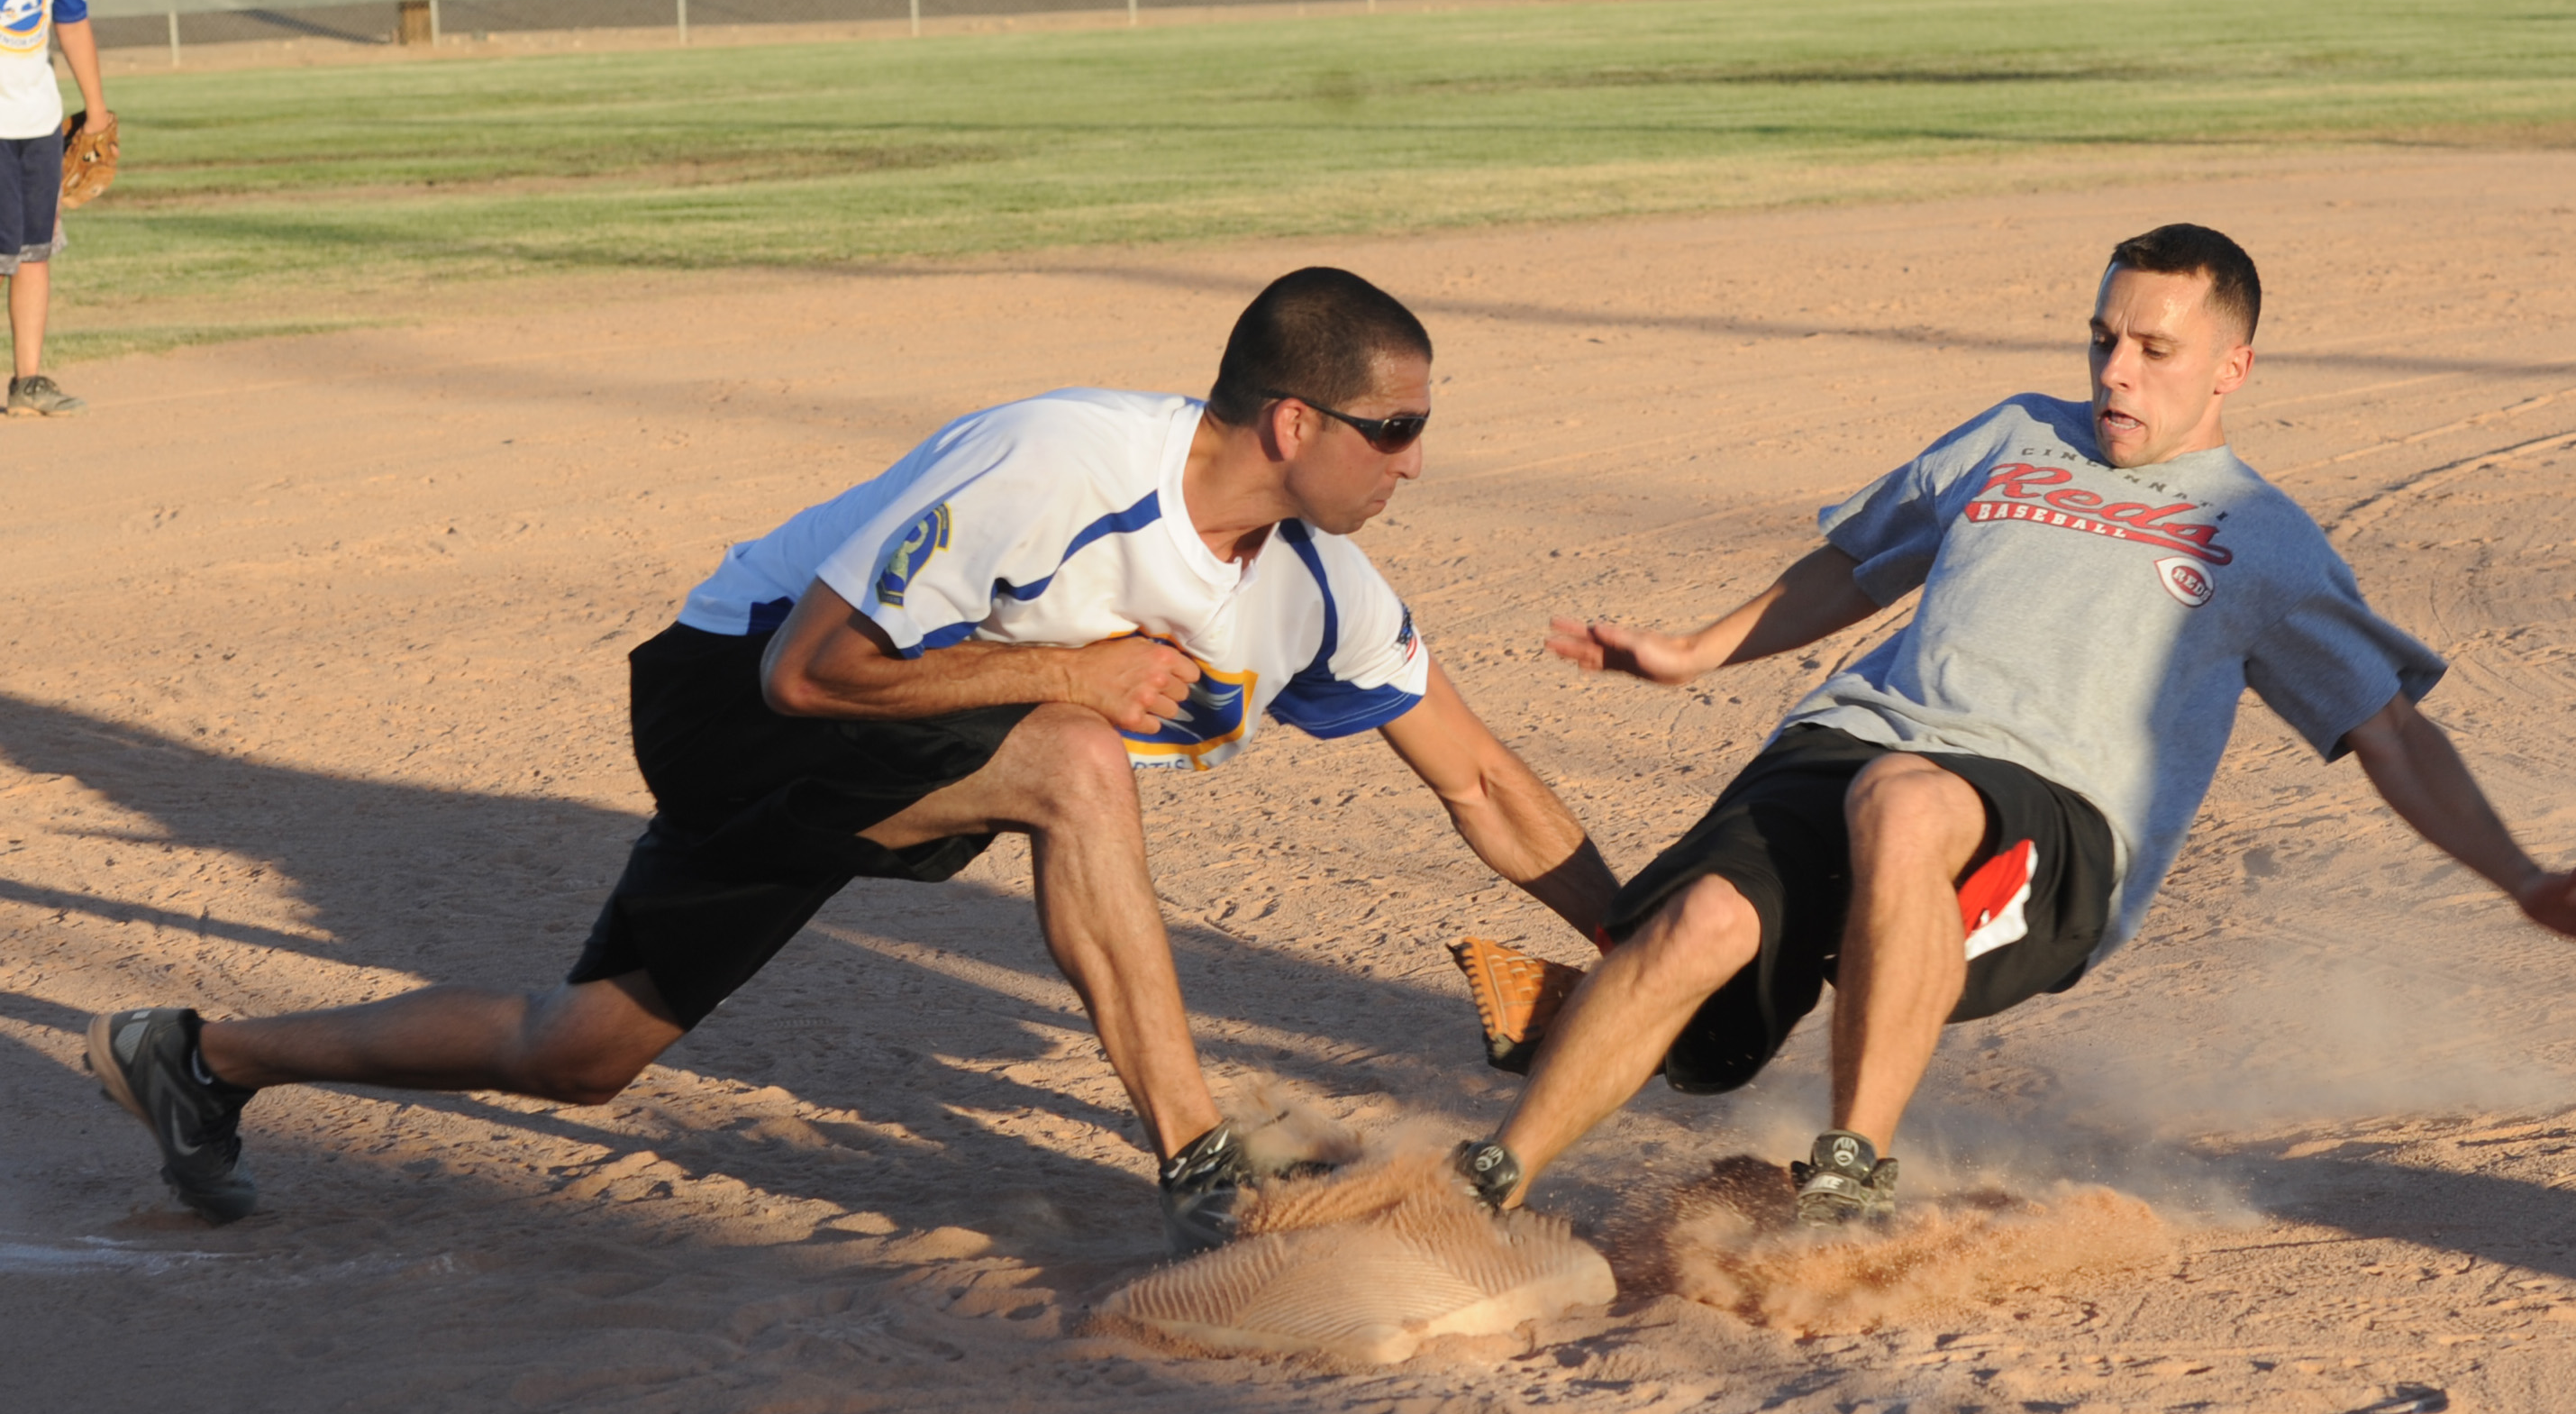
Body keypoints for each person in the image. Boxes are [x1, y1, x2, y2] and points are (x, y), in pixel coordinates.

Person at [86, 267, 1618, 1250]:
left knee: (581, 1052)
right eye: (1392, 426)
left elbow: (1481, 780)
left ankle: (202, 1058)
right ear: (1293, 421)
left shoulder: (1321, 591)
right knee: (1075, 758)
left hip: (896, 762)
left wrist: (1646, 949)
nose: (1416, 458)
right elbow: (805, 669)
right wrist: (1068, 670)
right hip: (735, 699)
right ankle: (1198, 1165)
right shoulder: (1061, 460)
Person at [1451, 224, 2576, 1223]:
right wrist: (1694, 650)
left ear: (2231, 367)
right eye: (2102, 339)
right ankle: (1490, 1181)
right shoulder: (2013, 436)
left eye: (2154, 348)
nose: (2114, 373)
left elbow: (2390, 732)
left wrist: (2518, 878)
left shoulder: (2261, 538)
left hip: (2052, 817)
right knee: (1702, 922)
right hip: (1858, 740)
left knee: (1905, 804)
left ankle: (1848, 1173)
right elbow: (1857, 566)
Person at [0, 0, 105, 417]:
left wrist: (96, 111)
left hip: (37, 122)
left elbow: (72, 21)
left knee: (33, 253)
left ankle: (28, 382)